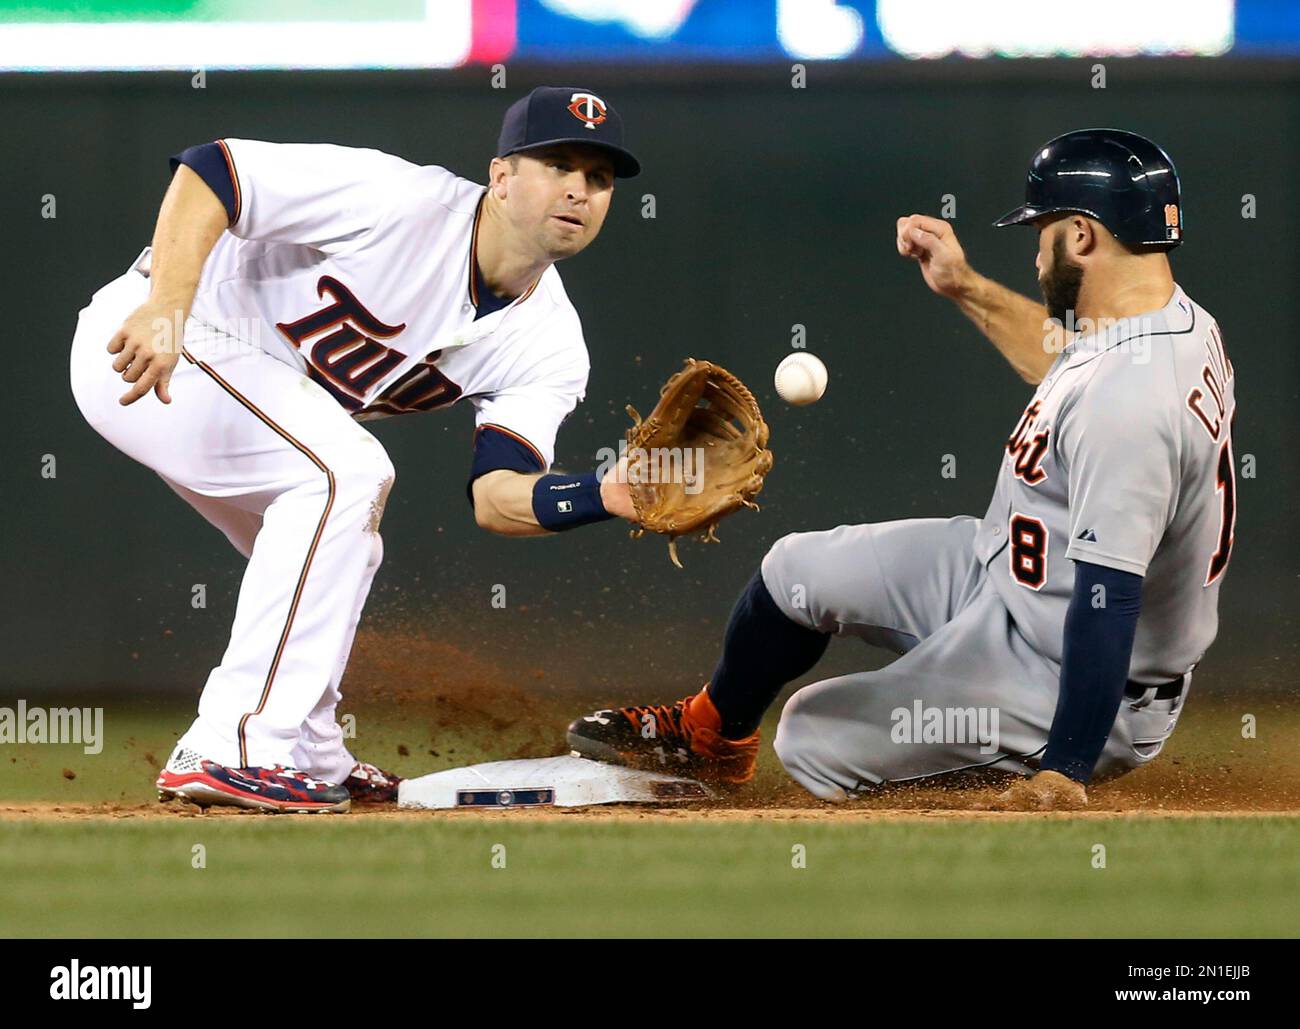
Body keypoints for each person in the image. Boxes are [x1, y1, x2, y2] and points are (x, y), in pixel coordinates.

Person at [568, 129, 1236, 811]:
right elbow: (1069, 367)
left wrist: (1065, 770)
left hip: (1073, 671)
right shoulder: (1164, 325)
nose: (1035, 251)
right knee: (795, 572)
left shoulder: (1132, 399)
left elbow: (1108, 601)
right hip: (1006, 577)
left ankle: (1023, 766)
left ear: (1083, 237)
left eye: (1042, 230)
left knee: (812, 738)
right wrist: (964, 286)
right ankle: (712, 737)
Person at [70, 87, 641, 813]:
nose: (578, 189)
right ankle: (231, 746)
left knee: (347, 532)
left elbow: (498, 495)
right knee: (347, 473)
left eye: (598, 178)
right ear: (501, 177)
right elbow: (216, 171)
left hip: (246, 391)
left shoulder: (551, 343)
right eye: (558, 163)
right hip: (152, 342)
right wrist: (168, 308)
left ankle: (308, 750)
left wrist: (602, 494)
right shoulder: (401, 203)